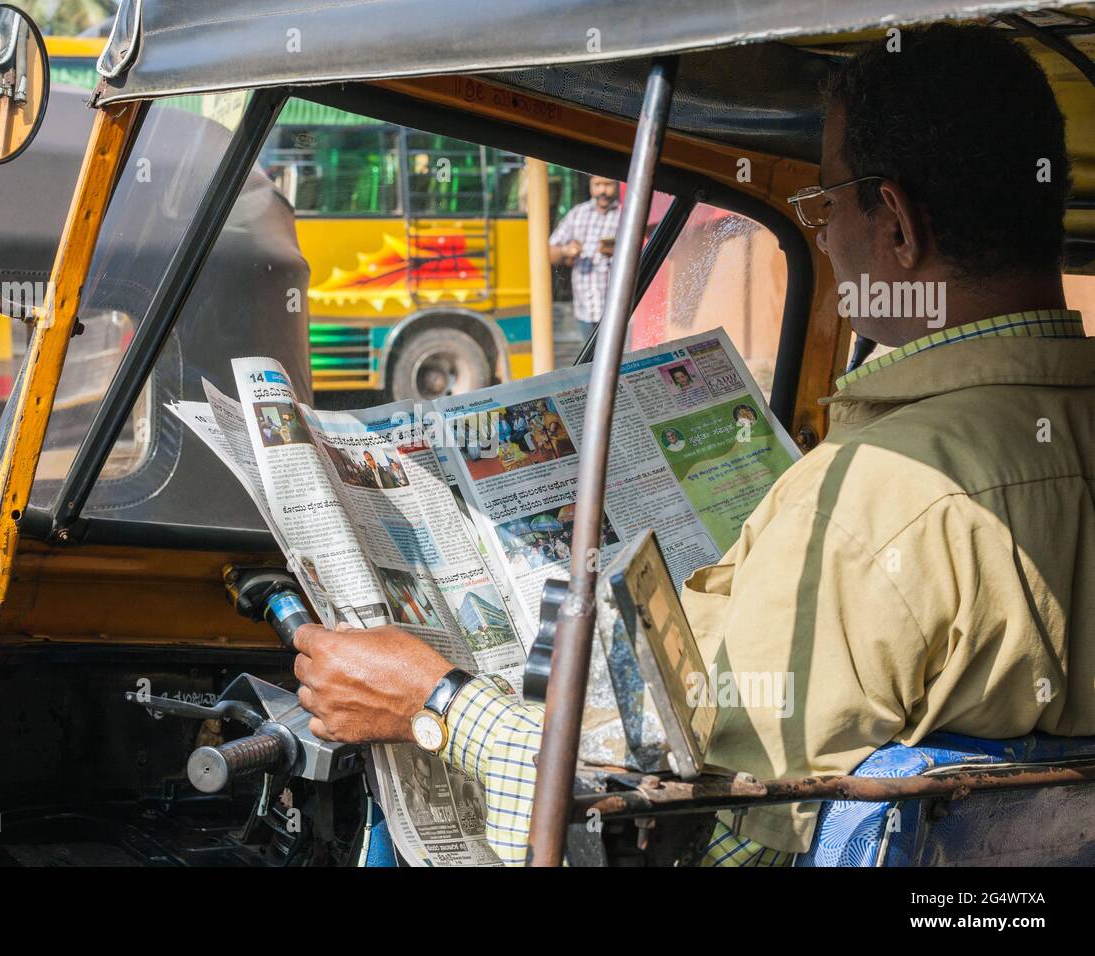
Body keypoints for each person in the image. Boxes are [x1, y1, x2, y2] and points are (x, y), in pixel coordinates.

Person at [287, 24, 1095, 866]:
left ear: (895, 221)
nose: (822, 236)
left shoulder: (878, 499)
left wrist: (438, 705)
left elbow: (682, 828)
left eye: (823, 207)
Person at [548, 175, 621, 341]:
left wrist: (616, 251)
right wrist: (567, 250)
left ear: (616, 185)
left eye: (608, 184)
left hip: (616, 306)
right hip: (585, 307)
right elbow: (549, 251)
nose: (603, 190)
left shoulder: (625, 213)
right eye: (598, 184)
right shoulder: (577, 213)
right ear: (590, 185)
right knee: (591, 360)